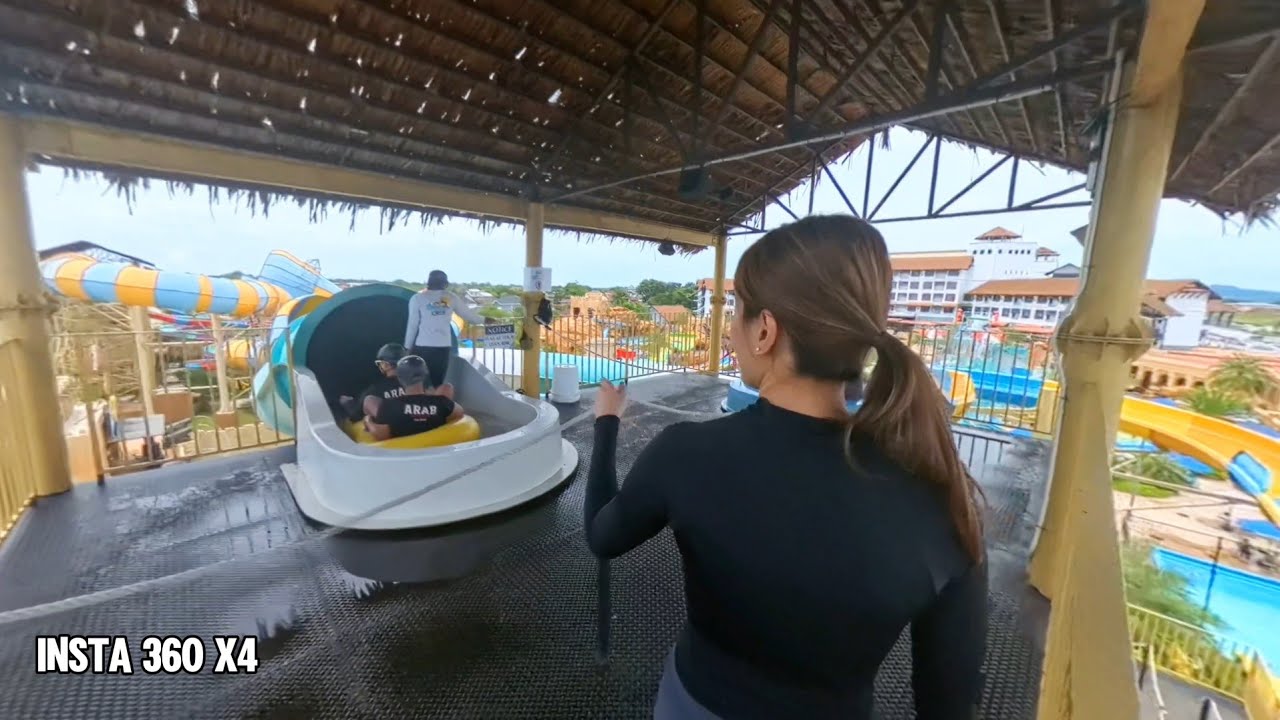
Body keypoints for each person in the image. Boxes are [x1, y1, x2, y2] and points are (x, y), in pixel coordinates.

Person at [584, 215, 987, 720]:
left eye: (736, 313)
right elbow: (949, 700)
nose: (729, 332)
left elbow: (603, 535)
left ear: (766, 330)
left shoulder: (687, 454)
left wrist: (606, 425)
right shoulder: (942, 495)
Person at [404, 270, 491, 388]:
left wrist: (407, 347)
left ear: (428, 282)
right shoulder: (450, 298)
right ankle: (436, 405)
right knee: (438, 381)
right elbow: (471, 317)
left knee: (419, 381)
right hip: (443, 346)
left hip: (423, 345)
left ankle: (421, 403)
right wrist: (487, 320)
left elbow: (412, 325)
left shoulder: (417, 298)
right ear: (445, 283)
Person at [364, 355, 465, 441]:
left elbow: (381, 434)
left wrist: (368, 420)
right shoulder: (442, 403)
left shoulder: (389, 406)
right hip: (436, 446)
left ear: (399, 378)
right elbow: (460, 414)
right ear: (425, 375)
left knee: (369, 400)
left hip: (401, 453)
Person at [337, 343, 409, 421]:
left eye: (380, 363)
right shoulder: (420, 382)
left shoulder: (375, 390)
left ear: (386, 365)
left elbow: (356, 416)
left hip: (395, 430)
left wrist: (348, 404)